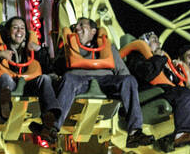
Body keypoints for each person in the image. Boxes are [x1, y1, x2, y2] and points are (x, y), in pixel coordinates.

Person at [37, 18, 153, 146]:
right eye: (76, 26)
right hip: (78, 79)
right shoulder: (69, 47)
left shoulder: (107, 48)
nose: (77, 28)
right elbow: (57, 70)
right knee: (68, 78)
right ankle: (52, 128)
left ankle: (134, 132)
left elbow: (122, 72)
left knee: (129, 80)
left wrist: (126, 91)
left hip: (105, 80)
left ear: (93, 31)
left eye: (82, 25)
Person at [121, 32, 190, 154]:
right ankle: (181, 134)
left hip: (165, 92)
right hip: (148, 93)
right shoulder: (137, 55)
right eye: (155, 39)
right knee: (185, 93)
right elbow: (147, 74)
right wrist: (159, 58)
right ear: (145, 41)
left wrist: (176, 70)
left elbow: (179, 84)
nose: (159, 43)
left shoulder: (162, 61)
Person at [0, 16, 59, 121]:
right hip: (9, 85)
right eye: (15, 27)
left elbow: (48, 68)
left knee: (45, 79)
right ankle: (6, 109)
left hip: (28, 85)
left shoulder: (31, 48)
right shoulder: (0, 48)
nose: (19, 31)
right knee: (5, 77)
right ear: (8, 32)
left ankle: (50, 114)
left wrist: (39, 51)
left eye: (22, 28)